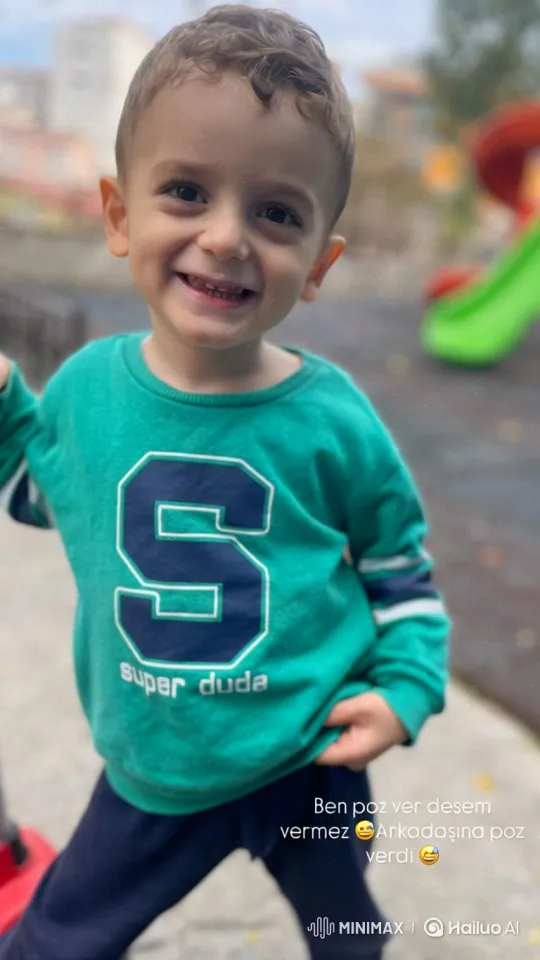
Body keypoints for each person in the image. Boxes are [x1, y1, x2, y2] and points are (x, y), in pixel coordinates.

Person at [0, 5, 450, 958]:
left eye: (276, 212)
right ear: (119, 215)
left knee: (348, 935)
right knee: (53, 943)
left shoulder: (335, 422)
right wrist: (5, 412)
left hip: (311, 756)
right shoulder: (83, 392)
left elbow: (399, 567)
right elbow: (43, 498)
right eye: (186, 191)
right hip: (155, 771)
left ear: (319, 263)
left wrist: (407, 689)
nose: (226, 236)